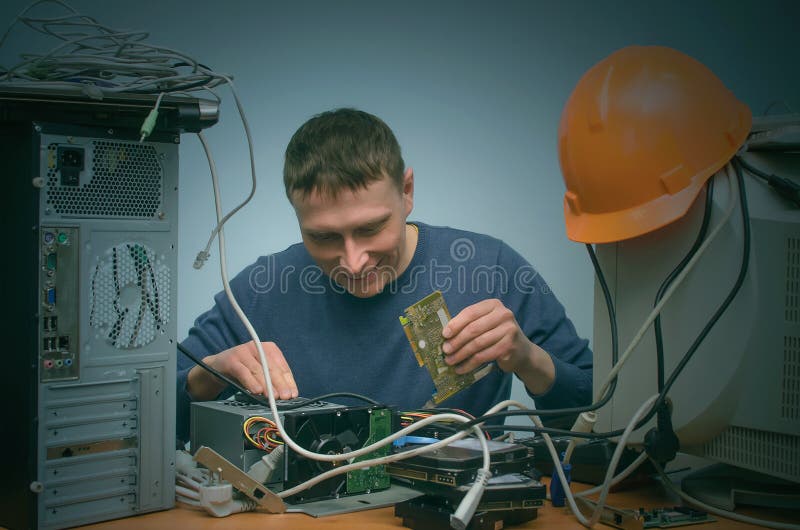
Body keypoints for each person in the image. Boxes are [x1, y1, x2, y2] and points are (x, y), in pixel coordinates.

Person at [176, 108, 592, 442]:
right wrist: (206, 375)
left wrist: (529, 359)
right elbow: (151, 418)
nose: (353, 262)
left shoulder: (491, 268)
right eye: (323, 237)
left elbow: (598, 414)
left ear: (407, 192)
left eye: (371, 229)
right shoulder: (260, 290)